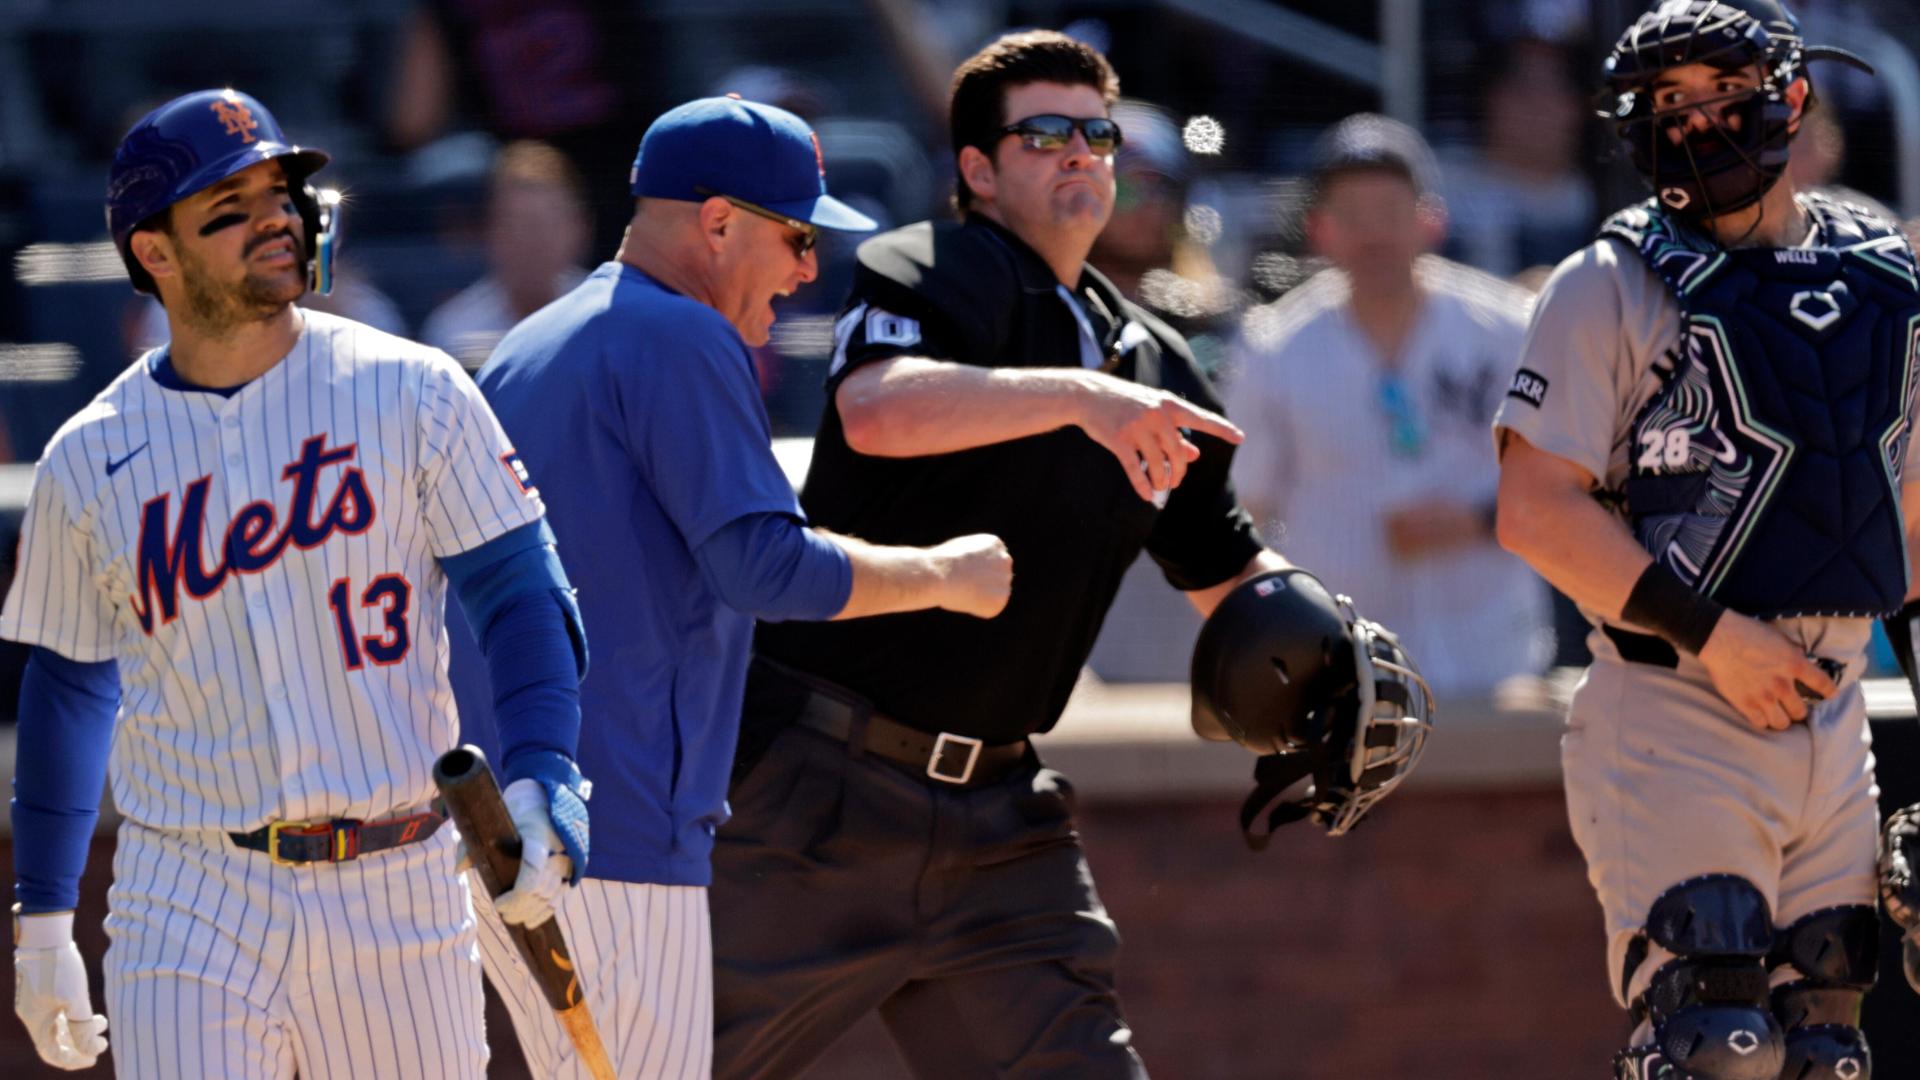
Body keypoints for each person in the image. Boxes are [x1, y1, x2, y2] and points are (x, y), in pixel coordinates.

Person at [711, 30, 1326, 1079]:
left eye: (1098, 133)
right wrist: (1081, 399)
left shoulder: (1152, 357)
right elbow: (873, 411)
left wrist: (1327, 657)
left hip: (1001, 817)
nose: (1080, 153)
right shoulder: (928, 266)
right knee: (638, 1058)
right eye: (1044, 134)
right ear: (979, 170)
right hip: (816, 792)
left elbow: (1221, 564)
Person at [4, 89, 593, 1077]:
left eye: (280, 191)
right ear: (156, 252)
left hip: (395, 878)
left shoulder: (412, 388)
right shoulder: (87, 457)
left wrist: (543, 769)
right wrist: (42, 923)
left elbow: (522, 594)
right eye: (227, 207)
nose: (276, 218)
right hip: (188, 887)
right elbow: (69, 688)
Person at [445, 95, 1014, 1079]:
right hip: (609, 823)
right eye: (795, 237)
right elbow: (766, 568)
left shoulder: (533, 343)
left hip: (504, 819)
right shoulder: (680, 335)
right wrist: (946, 575)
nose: (806, 268)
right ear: (716, 223)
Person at [1491, 4, 1911, 1076]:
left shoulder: (1886, 278)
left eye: (1721, 89)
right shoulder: (1606, 282)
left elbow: (1911, 519)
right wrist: (1716, 637)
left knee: (1829, 1051)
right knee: (1714, 1041)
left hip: (1832, 710)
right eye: (1667, 100)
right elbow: (1535, 509)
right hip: (1674, 699)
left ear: (1793, 98)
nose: (1696, 119)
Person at [1227, 113, 1548, 697]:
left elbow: (1569, 477)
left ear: (1431, 220)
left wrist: (1478, 520)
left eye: (1391, 213)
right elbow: (1247, 506)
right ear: (1320, 229)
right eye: (1352, 216)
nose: (1374, 234)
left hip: (1494, 660)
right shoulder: (1275, 347)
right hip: (1338, 670)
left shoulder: (1507, 329)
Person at [420, 140, 591, 370]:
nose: (531, 242)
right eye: (515, 225)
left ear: (578, 229)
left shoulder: (610, 320)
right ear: (491, 233)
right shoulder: (452, 331)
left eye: (543, 224)